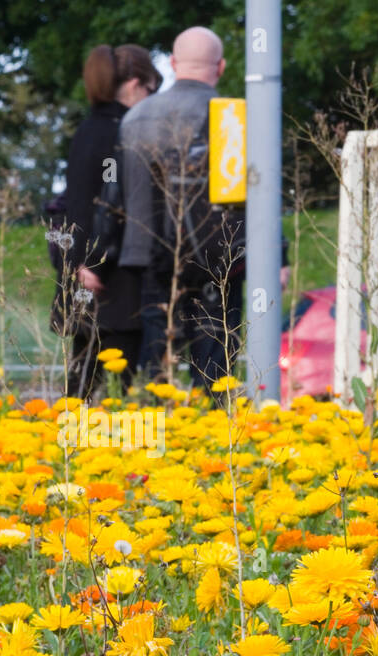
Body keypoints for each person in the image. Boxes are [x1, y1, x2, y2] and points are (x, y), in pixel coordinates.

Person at [119, 26, 287, 400]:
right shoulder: (232, 120)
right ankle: (214, 436)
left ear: (174, 63)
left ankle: (151, 437)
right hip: (218, 259)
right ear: (221, 66)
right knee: (215, 367)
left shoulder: (134, 119)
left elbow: (121, 197)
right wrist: (280, 253)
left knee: (155, 361)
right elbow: (260, 196)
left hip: (147, 259)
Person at [53, 44, 161, 400]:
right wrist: (97, 262)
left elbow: (76, 204)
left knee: (81, 384)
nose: (151, 99)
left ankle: (69, 452)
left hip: (82, 274)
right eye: (150, 89)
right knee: (117, 389)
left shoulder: (86, 130)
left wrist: (77, 263)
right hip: (114, 277)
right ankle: (110, 452)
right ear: (134, 84)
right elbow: (113, 204)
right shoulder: (124, 132)